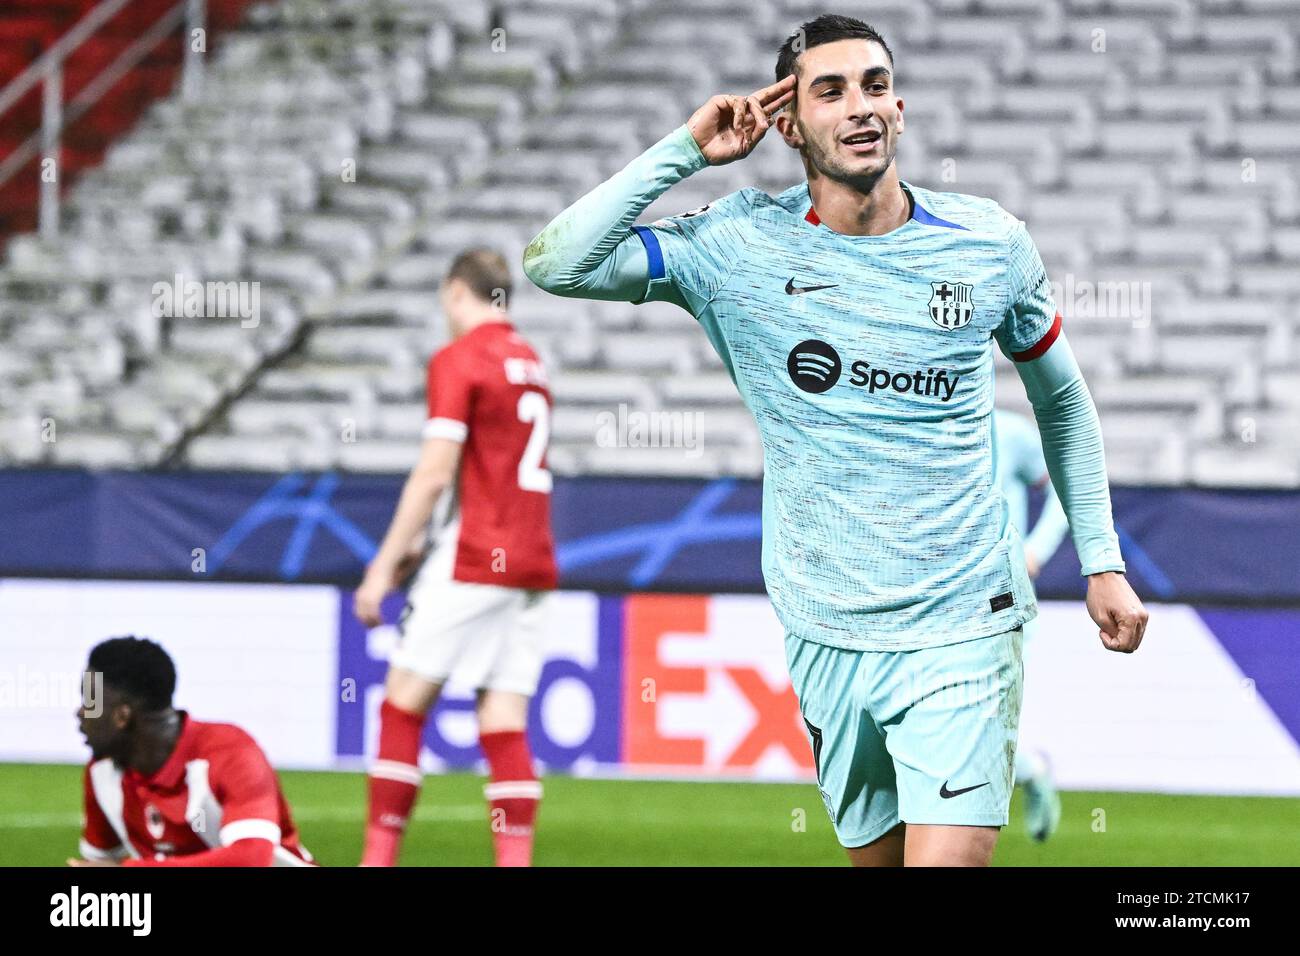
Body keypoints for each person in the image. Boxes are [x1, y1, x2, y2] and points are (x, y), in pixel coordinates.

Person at [523, 14, 1147, 866]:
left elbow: (1064, 401)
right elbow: (556, 263)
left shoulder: (988, 243)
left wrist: (1101, 559)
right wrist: (685, 150)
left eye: (876, 86)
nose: (861, 107)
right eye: (831, 91)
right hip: (825, 628)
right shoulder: (735, 244)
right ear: (786, 123)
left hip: (966, 620)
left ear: (900, 108)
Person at [354, 248, 558, 867]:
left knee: (402, 704)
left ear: (453, 292)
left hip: (477, 555)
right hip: (532, 559)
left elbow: (435, 472)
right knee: (503, 715)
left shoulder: (459, 358)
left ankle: (377, 860)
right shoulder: (531, 361)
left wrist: (381, 566)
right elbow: (493, 468)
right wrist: (432, 536)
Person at [70, 635, 313, 866]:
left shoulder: (230, 752)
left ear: (121, 716)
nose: (79, 714)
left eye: (88, 702)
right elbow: (98, 862)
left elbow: (252, 858)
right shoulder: (102, 771)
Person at [994, 407, 1071, 842]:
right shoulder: (912, 424)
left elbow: (1065, 486)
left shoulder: (1010, 433)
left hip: (1003, 603)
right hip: (931, 606)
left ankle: (1030, 771)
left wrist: (1036, 550)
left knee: (983, 720)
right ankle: (1032, 769)